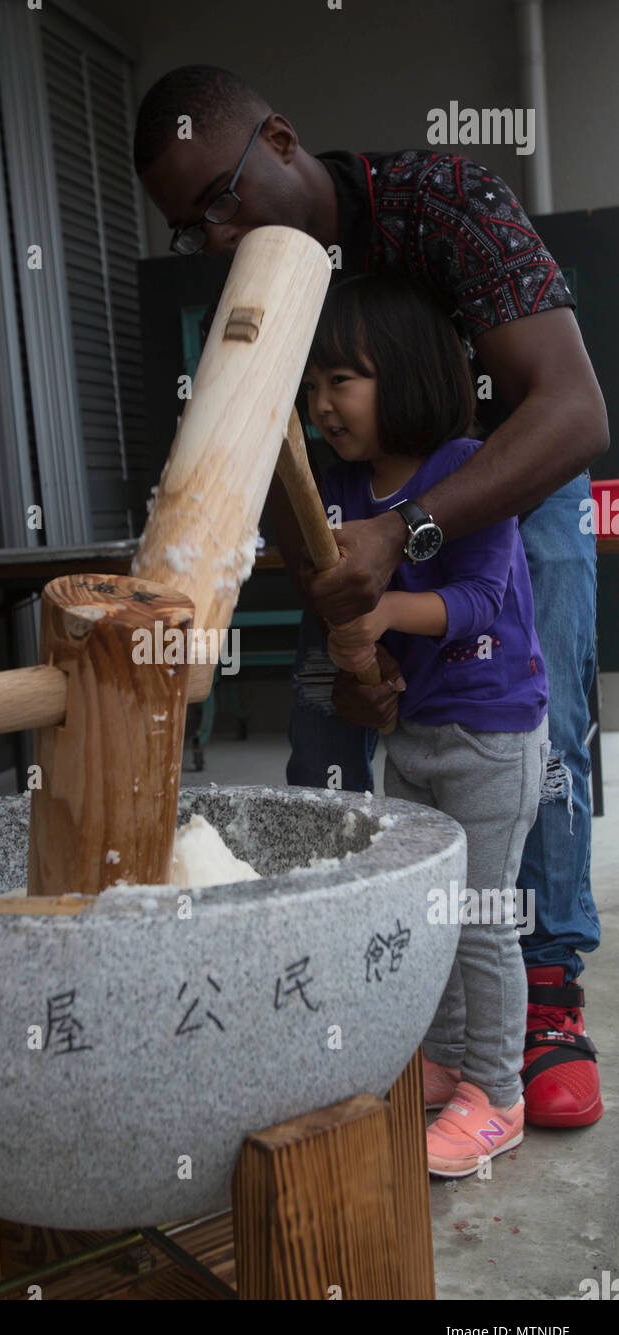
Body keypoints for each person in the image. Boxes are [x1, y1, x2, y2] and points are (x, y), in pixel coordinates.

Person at [133, 65, 607, 1128]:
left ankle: (539, 994)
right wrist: (355, 648)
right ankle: (368, 978)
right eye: (187, 227)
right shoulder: (255, 278)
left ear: (283, 141)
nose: (214, 238)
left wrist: (408, 532)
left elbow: (572, 412)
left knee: (540, 735)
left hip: (510, 475)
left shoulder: (441, 202)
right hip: (368, 511)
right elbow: (289, 479)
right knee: (329, 734)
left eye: (220, 198)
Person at [303, 274, 549, 1172]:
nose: (324, 403)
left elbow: (483, 598)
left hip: (491, 731)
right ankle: (448, 1064)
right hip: (412, 734)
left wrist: (383, 620)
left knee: (482, 916)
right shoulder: (336, 485)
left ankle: (500, 1094)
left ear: (403, 374)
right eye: (316, 382)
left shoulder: (463, 472)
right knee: (439, 912)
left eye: (346, 380)